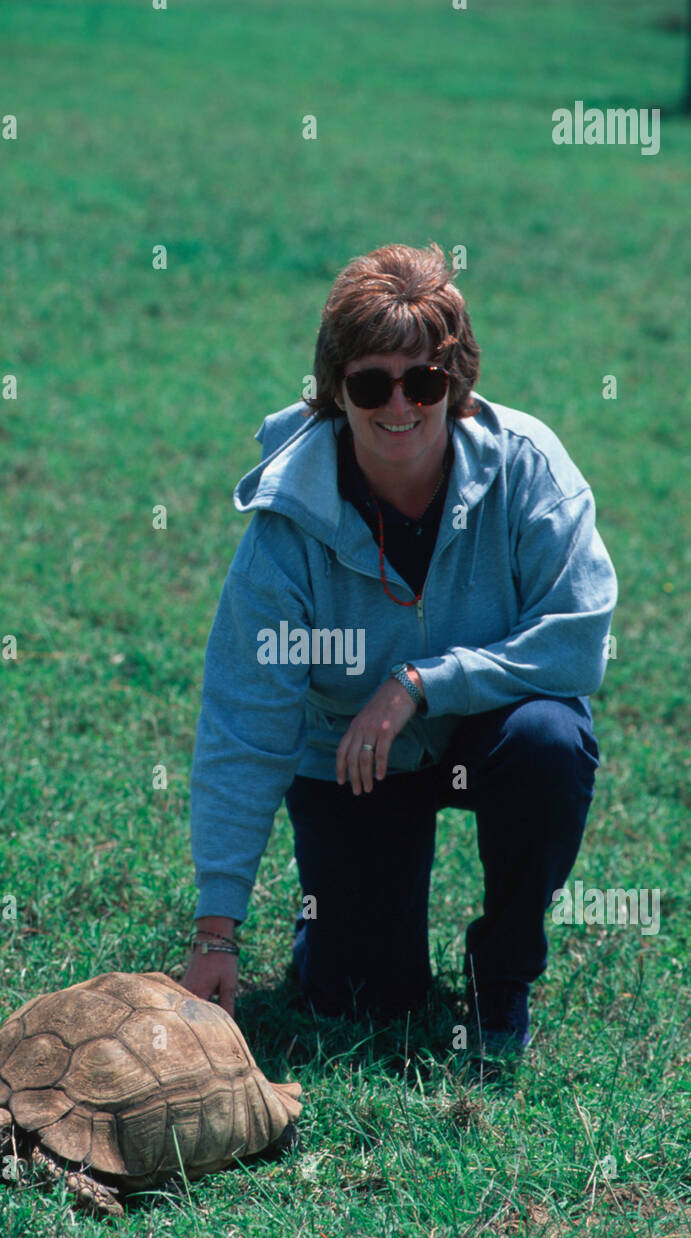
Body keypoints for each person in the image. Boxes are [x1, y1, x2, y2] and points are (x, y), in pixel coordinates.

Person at [181, 241, 617, 1054]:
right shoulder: (286, 526)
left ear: (457, 388)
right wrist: (216, 929)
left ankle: (503, 976)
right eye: (369, 383)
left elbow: (576, 636)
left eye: (424, 382)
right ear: (331, 393)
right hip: (351, 756)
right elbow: (245, 722)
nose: (398, 407)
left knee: (549, 740)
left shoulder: (526, 468)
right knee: (359, 1000)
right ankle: (339, 925)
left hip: (489, 728)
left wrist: (421, 682)